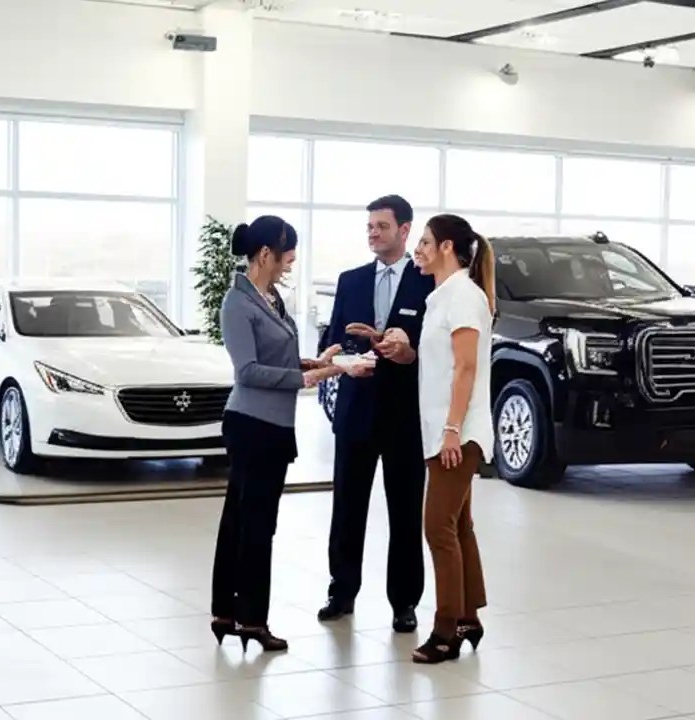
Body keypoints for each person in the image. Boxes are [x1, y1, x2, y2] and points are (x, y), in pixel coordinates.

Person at [211, 215, 337, 653]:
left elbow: (276, 360)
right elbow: (247, 371)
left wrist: (318, 363)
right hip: (252, 426)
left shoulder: (269, 300)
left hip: (273, 425)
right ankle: (250, 620)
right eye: (286, 255)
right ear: (264, 254)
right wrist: (303, 380)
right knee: (252, 525)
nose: (291, 263)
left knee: (247, 521)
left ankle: (229, 614)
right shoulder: (237, 303)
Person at [317, 194, 435, 633]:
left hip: (405, 416)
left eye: (381, 226)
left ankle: (404, 602)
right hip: (356, 411)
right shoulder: (350, 281)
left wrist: (407, 351)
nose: (372, 233)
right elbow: (333, 340)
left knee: (405, 511)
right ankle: (341, 590)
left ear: (404, 231)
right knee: (348, 505)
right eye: (369, 226)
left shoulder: (428, 283)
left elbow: (437, 352)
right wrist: (340, 359)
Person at [409, 214, 494, 664]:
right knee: (458, 526)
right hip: (446, 430)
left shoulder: (462, 295)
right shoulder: (444, 296)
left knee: (437, 527)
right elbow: (445, 364)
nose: (417, 249)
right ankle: (468, 618)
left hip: (458, 433)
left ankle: (445, 632)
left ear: (446, 247)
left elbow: (466, 367)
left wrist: (452, 430)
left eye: (424, 241)